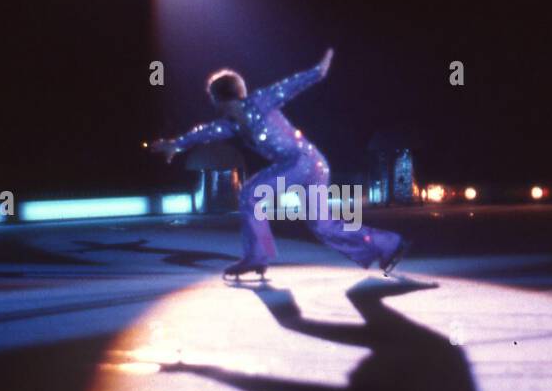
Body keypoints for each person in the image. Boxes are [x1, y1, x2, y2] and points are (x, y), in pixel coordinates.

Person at [150, 49, 406, 278]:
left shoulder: (259, 102)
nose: (213, 104)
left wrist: (317, 72)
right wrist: (176, 144)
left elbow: (287, 87)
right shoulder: (231, 126)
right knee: (323, 226)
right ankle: (388, 245)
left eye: (213, 98)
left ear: (220, 98)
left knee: (251, 193)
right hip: (312, 164)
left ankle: (257, 257)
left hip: (302, 162)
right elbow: (204, 133)